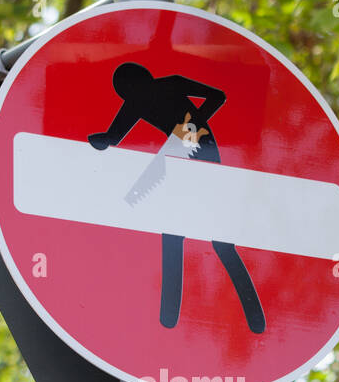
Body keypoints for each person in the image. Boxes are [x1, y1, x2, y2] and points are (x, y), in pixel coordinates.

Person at [88, 62, 265, 333]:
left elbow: (218, 96)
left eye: (129, 93)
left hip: (204, 156)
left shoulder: (172, 82)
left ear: (142, 82)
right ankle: (167, 323)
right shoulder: (136, 102)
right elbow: (114, 135)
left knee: (221, 243)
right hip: (178, 164)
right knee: (172, 236)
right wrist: (101, 139)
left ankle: (255, 318)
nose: (130, 100)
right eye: (126, 97)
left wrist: (190, 127)